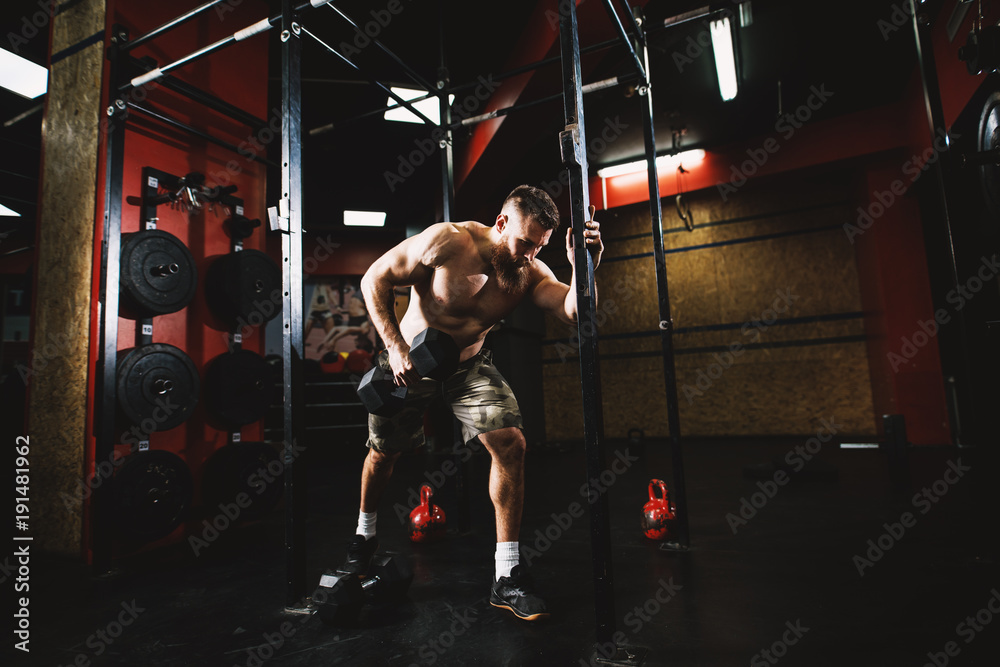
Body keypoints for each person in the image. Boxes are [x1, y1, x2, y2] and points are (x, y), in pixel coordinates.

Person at [344, 185, 603, 622]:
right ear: (502, 224)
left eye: (539, 246)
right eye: (524, 242)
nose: (529, 254)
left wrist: (585, 266)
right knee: (384, 454)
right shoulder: (448, 241)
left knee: (511, 442)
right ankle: (363, 534)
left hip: (468, 369)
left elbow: (575, 311)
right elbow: (375, 279)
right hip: (411, 363)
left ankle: (506, 574)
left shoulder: (530, 272)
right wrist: (393, 347)